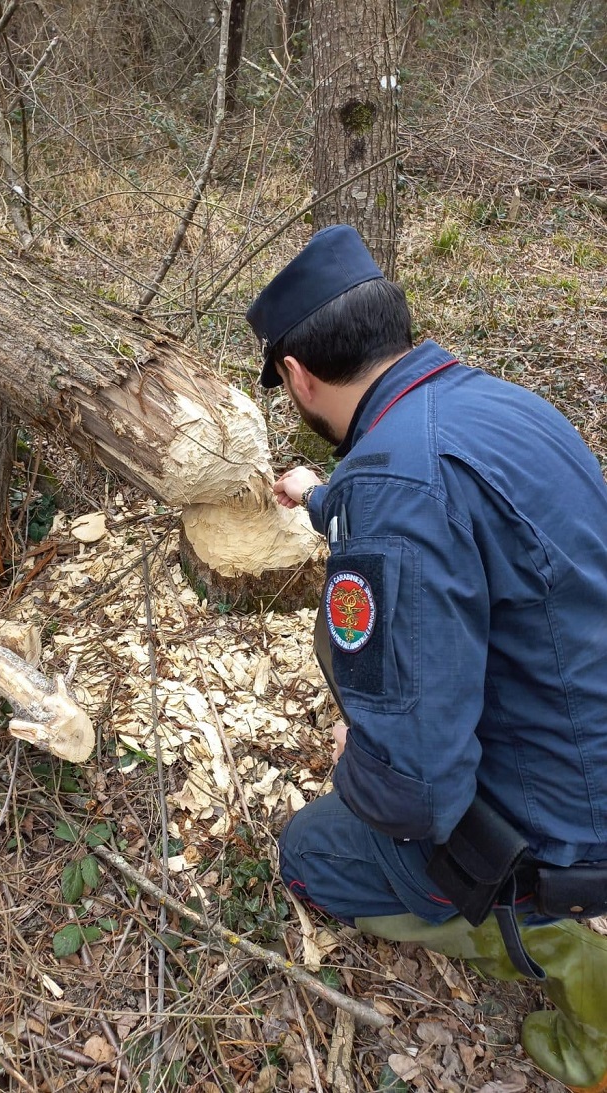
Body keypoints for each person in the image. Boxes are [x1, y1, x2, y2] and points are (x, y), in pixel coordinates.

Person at [246, 224, 607, 1093]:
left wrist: (358, 768)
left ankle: (561, 940)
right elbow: (457, 517)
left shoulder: (398, 487)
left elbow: (421, 787)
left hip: (564, 828)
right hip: (585, 737)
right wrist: (327, 498)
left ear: (297, 375)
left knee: (311, 852)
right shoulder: (500, 405)